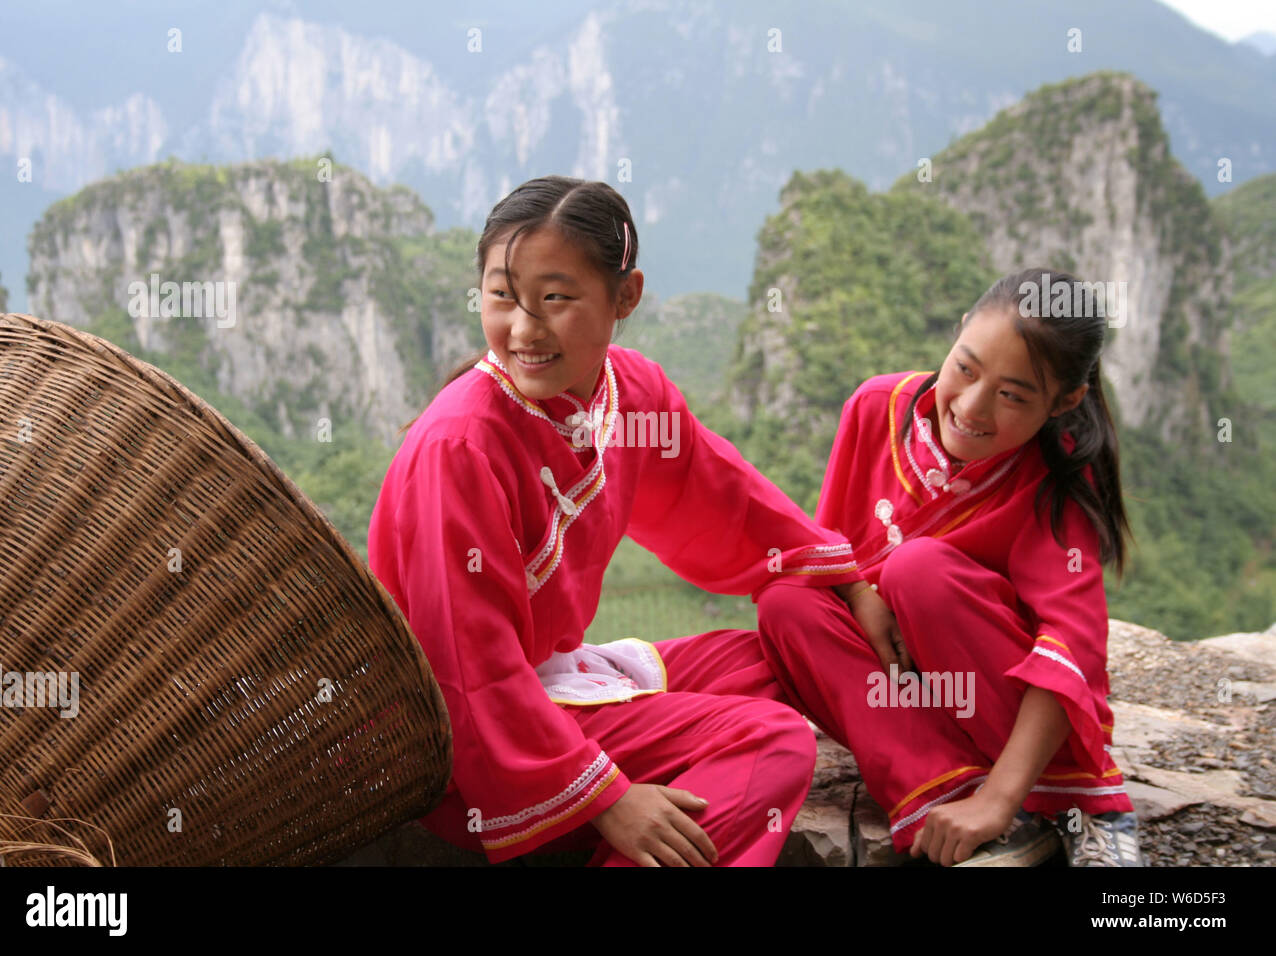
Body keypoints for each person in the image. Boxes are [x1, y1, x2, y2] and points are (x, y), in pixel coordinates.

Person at [367, 175, 869, 867]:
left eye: (556, 299)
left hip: (553, 677)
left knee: (783, 658)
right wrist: (605, 798)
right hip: (472, 741)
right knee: (773, 739)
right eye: (502, 296)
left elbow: (726, 501)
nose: (523, 328)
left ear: (624, 297)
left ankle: (945, 790)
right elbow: (463, 668)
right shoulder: (459, 446)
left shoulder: (628, 395)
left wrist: (847, 579)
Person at [754, 267, 1142, 867]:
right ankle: (950, 792)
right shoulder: (874, 407)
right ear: (959, 333)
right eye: (965, 367)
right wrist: (859, 595)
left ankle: (1066, 804)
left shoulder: (1056, 472)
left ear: (1066, 400)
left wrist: (1001, 794)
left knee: (918, 570)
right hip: (908, 693)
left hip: (1006, 709)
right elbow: (827, 555)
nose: (972, 406)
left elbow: (1074, 646)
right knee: (787, 602)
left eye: (1013, 395)